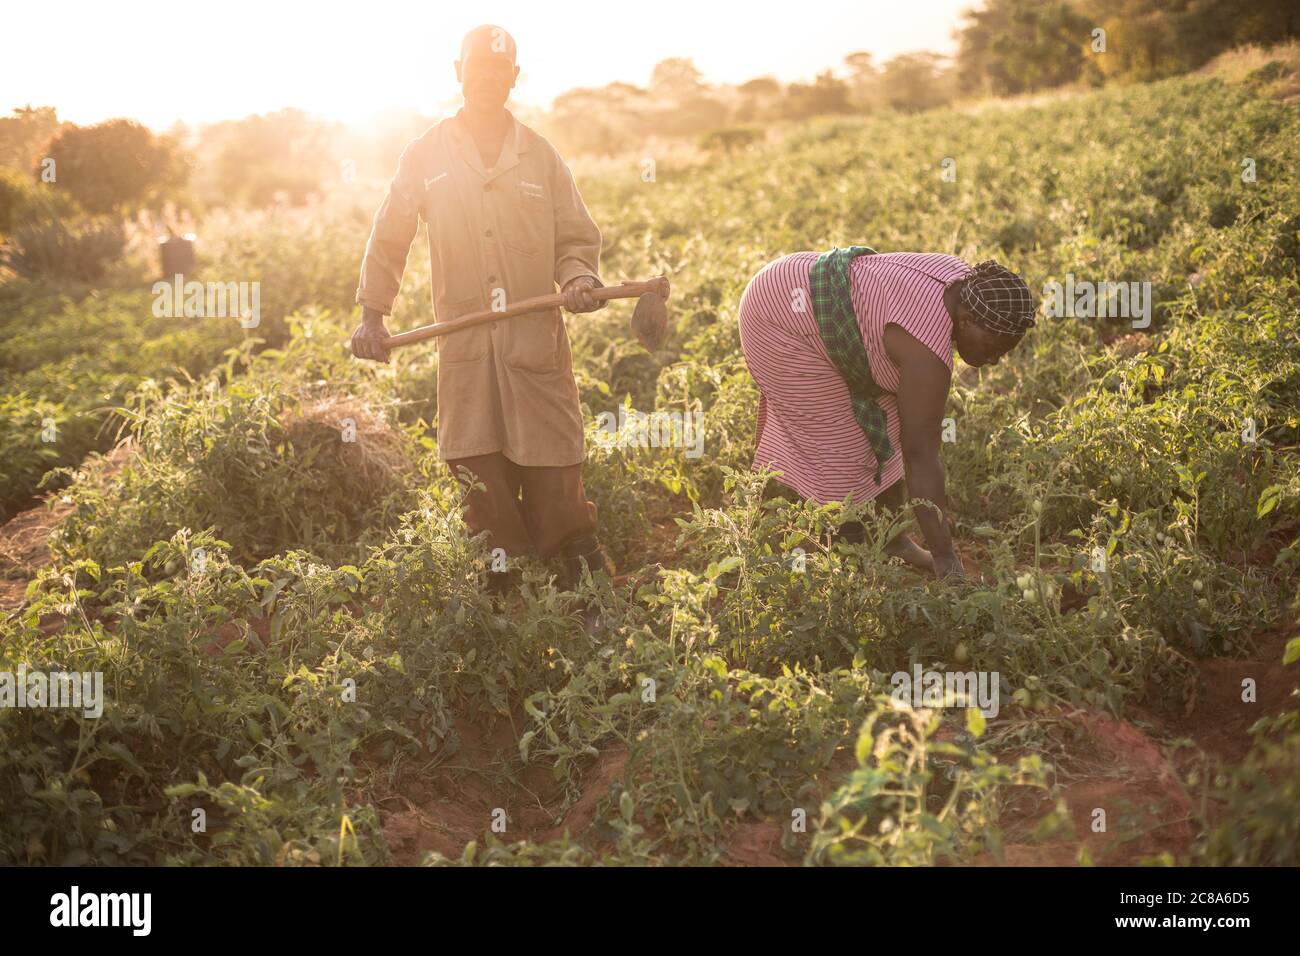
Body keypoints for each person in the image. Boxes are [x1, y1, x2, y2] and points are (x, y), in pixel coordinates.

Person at [350, 24, 612, 595]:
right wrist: (374, 312)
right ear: (458, 73)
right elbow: (391, 234)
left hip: (533, 348)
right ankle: (507, 606)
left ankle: (588, 601)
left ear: (513, 78)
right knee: (480, 477)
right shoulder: (425, 155)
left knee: (554, 473)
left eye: (500, 71)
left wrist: (579, 279)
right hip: (466, 350)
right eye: (477, 70)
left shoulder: (540, 156)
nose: (487, 81)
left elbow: (575, 237)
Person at [737, 249, 1037, 579]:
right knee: (843, 448)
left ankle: (892, 540)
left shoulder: (964, 281)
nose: (994, 360)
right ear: (966, 320)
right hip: (778, 319)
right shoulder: (926, 355)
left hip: (797, 277)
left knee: (893, 415)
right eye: (993, 347)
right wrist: (946, 558)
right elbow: (920, 456)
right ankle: (849, 564)